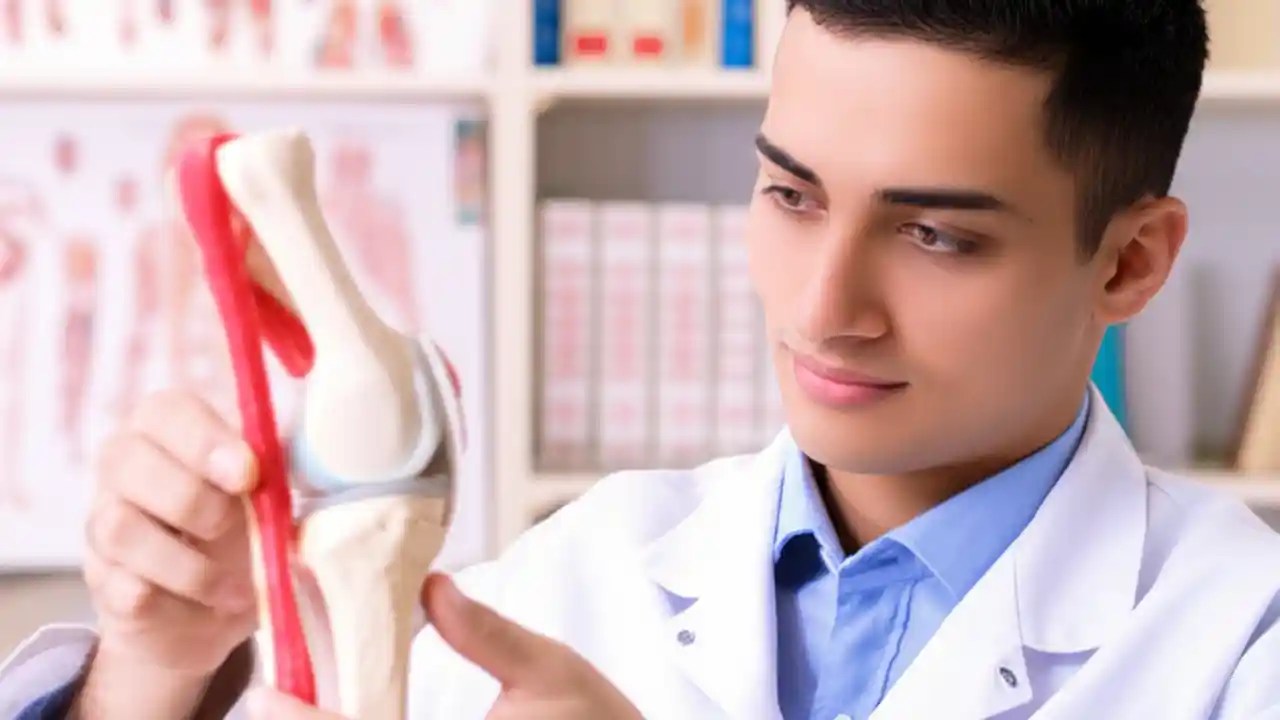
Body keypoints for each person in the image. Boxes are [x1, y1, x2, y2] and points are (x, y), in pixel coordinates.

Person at [4, 1, 1280, 718]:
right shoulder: (579, 572)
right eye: (788, 197)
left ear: (1126, 263)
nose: (823, 307)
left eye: (935, 235)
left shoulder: (1237, 646)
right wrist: (157, 664)